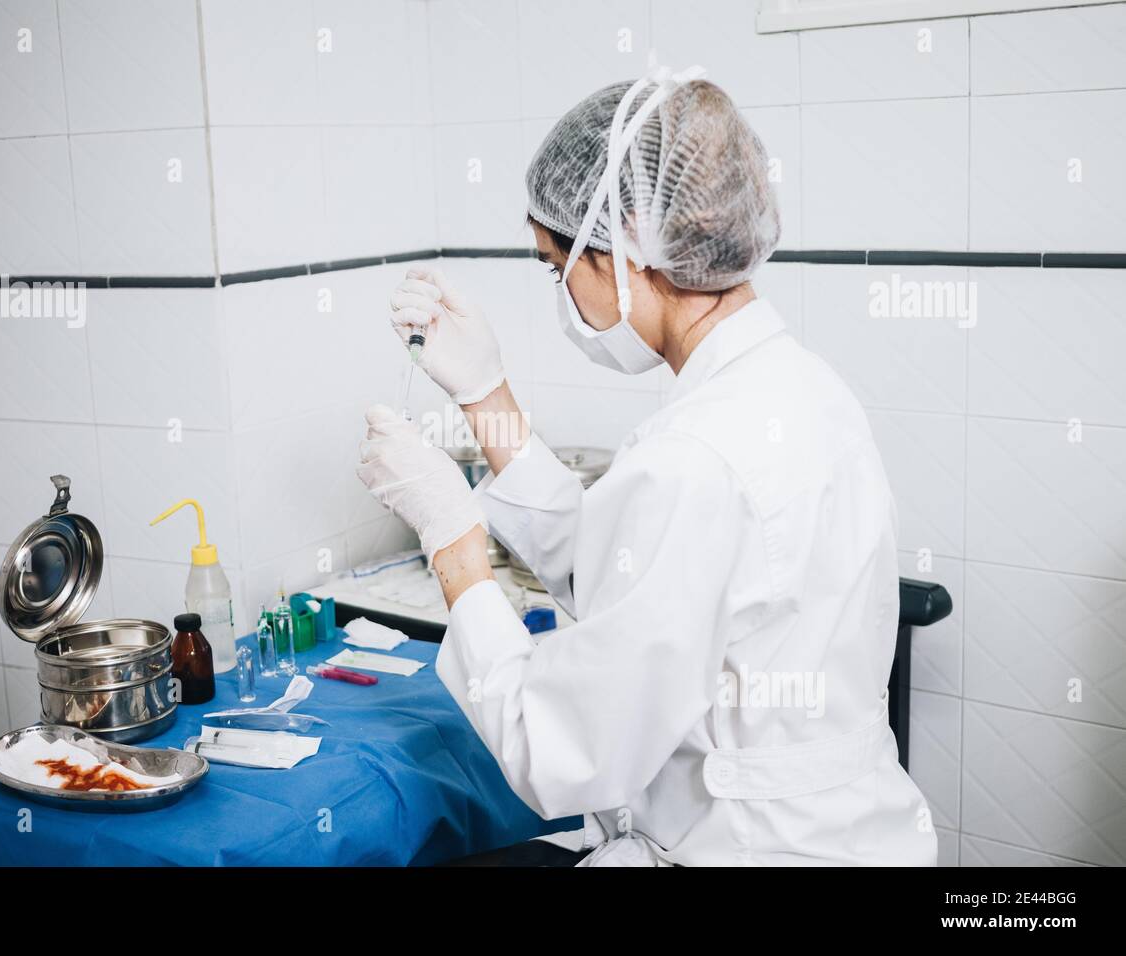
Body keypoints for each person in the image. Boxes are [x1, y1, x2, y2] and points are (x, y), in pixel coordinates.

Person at [357, 65, 936, 866]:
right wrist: (487, 396)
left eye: (554, 265)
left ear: (626, 244)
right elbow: (624, 572)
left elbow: (558, 751)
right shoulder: (802, 387)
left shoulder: (695, 457)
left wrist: (451, 537)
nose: (560, 291)